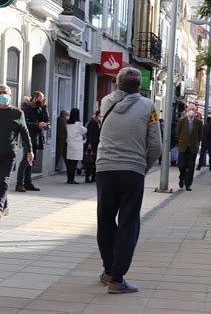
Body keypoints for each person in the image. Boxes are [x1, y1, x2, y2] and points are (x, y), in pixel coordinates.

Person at [96, 67, 162, 294]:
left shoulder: (105, 102)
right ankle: (117, 278)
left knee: (105, 220)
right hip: (132, 171)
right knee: (128, 223)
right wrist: (142, 167)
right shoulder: (148, 107)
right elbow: (156, 145)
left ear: (116, 85)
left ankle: (107, 270)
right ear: (140, 87)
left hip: (104, 169)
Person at [0, 85, 33, 221]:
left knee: (4, 180)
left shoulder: (17, 113)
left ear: (10, 96)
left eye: (5, 92)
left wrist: (30, 151)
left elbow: (25, 133)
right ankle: (5, 207)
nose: (2, 94)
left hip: (9, 152)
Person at [15, 91, 49, 192]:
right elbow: (23, 124)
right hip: (28, 138)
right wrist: (36, 125)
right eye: (40, 99)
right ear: (34, 98)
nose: (42, 101)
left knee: (31, 161)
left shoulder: (38, 107)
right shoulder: (26, 107)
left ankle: (28, 182)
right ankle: (19, 183)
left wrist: (44, 107)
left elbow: (46, 119)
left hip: (37, 138)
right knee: (26, 160)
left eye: (43, 100)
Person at [176, 103, 203, 191]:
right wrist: (179, 142)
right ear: (187, 110)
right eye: (190, 109)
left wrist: (197, 143)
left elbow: (200, 135)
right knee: (181, 165)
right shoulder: (181, 120)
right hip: (183, 146)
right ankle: (181, 177)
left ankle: (188, 184)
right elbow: (177, 133)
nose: (191, 111)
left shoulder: (199, 122)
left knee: (191, 167)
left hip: (193, 147)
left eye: (193, 109)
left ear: (195, 111)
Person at [65, 108, 87, 184]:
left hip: (70, 144)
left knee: (70, 163)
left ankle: (69, 178)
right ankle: (72, 179)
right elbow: (84, 130)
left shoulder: (68, 123)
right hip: (77, 145)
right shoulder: (78, 124)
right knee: (74, 163)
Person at [84, 110, 101, 183]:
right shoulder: (92, 122)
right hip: (91, 144)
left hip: (98, 144)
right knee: (89, 161)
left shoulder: (100, 123)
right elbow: (89, 133)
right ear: (97, 115)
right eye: (100, 116)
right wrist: (89, 143)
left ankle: (94, 177)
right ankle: (87, 176)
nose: (101, 117)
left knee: (95, 161)